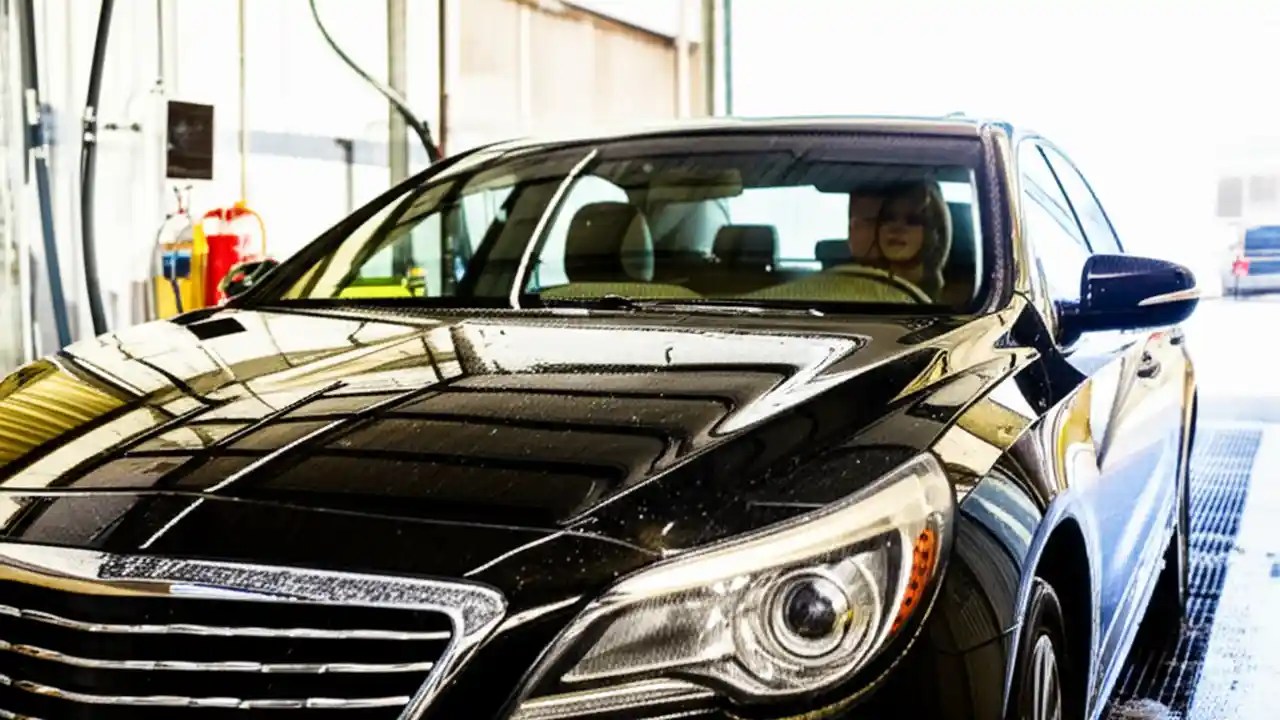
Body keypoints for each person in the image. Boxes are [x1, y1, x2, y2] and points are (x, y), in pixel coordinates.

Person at [847, 180, 952, 298]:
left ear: (934, 233)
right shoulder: (854, 289)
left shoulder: (959, 304)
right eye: (888, 218)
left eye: (913, 220)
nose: (896, 229)